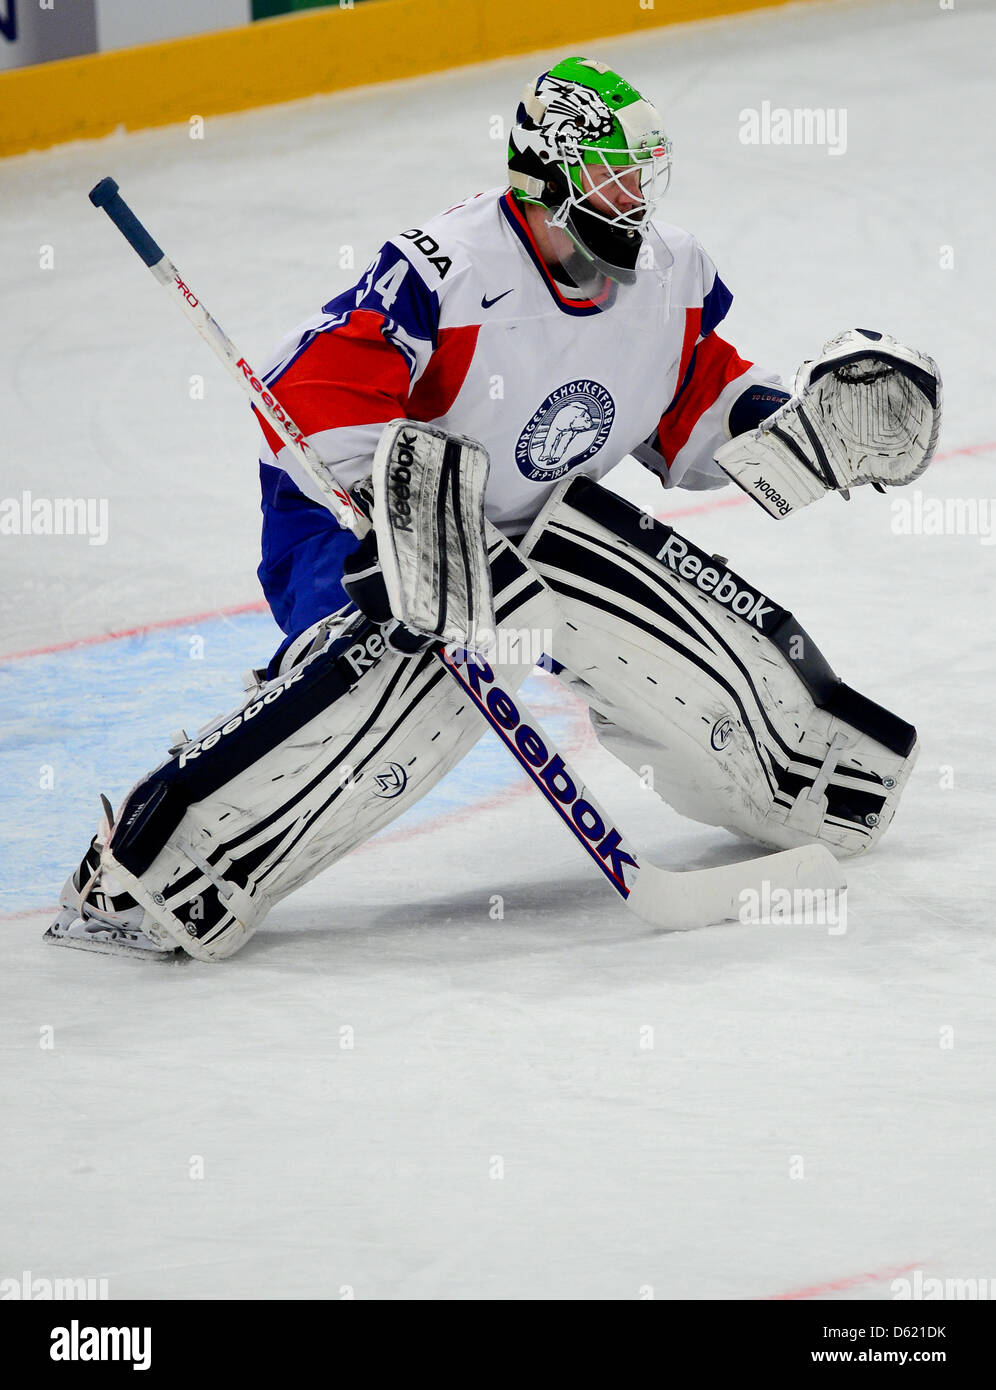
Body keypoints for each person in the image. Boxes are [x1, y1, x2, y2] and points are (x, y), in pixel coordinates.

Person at [47, 57, 939, 960]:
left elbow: (690, 407)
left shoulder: (668, 275)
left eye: (641, 174)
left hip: (531, 525)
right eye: (610, 173)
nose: (634, 194)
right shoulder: (449, 270)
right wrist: (395, 525)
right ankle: (150, 874)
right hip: (348, 522)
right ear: (548, 178)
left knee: (645, 609)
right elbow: (306, 395)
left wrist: (797, 432)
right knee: (408, 668)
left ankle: (792, 777)